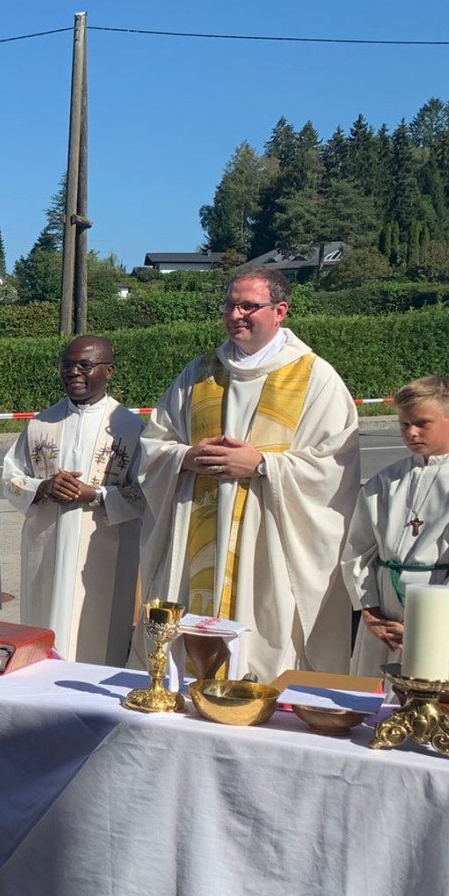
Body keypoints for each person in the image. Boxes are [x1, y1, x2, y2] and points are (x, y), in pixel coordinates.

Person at [135, 268, 359, 678]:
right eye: (230, 304)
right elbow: (154, 444)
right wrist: (184, 458)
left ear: (280, 311)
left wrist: (260, 465)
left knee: (264, 641)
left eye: (248, 306)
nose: (236, 314)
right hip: (200, 532)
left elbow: (334, 465)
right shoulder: (199, 373)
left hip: (269, 534)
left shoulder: (315, 377)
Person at [1, 335, 146, 662]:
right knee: (45, 626)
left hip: (103, 553)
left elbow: (146, 492)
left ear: (109, 371)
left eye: (85, 365)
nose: (74, 372)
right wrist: (43, 487)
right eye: (67, 365)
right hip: (47, 550)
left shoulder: (130, 427)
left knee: (97, 637)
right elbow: (11, 476)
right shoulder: (41, 423)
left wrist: (95, 494)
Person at [344, 377, 449, 677]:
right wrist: (371, 611)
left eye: (422, 423)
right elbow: (357, 550)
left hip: (443, 620)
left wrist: (422, 626)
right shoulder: (384, 482)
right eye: (404, 425)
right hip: (384, 619)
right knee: (374, 697)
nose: (411, 433)